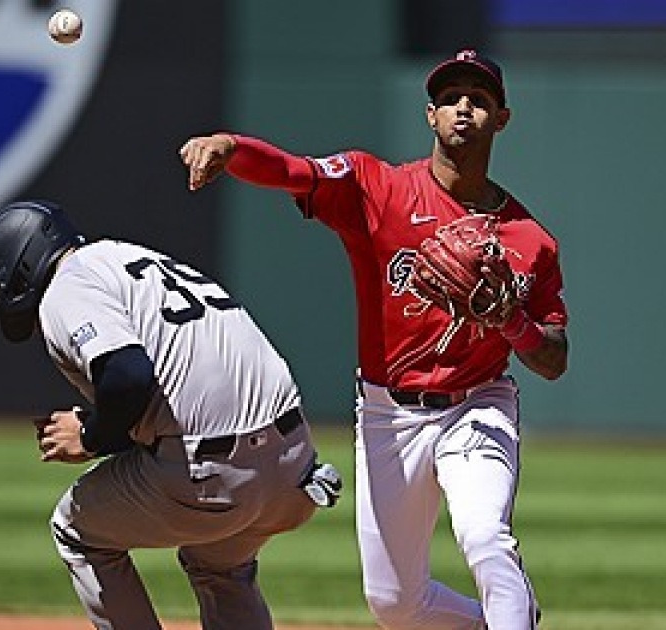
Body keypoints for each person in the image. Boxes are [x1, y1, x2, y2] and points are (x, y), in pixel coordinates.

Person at [179, 48, 568, 630]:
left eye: (480, 100)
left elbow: (554, 357)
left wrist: (512, 321)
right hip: (388, 414)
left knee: (485, 536)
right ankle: (512, 619)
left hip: (478, 404)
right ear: (430, 115)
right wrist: (233, 148)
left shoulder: (529, 239)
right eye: (451, 98)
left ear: (501, 119)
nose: (464, 108)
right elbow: (296, 173)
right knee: (396, 603)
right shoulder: (374, 186)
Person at [0, 200, 341, 630]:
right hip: (295, 466)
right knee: (219, 566)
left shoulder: (66, 287)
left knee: (75, 530)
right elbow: (172, 392)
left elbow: (128, 375)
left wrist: (91, 436)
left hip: (215, 475)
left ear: (22, 265)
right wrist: (110, 426)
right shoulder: (124, 257)